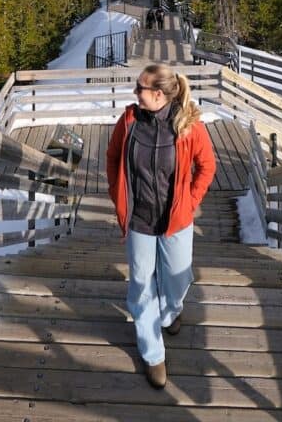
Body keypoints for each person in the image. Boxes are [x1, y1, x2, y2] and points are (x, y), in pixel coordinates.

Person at [106, 63, 217, 389]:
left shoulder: (188, 125)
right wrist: (118, 194)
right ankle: (153, 354)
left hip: (176, 221)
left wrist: (191, 201)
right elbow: (112, 158)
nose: (134, 92)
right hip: (140, 219)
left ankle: (171, 311)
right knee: (141, 285)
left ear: (159, 94)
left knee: (178, 278)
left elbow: (207, 165)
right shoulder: (128, 121)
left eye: (140, 88)